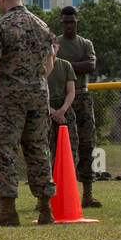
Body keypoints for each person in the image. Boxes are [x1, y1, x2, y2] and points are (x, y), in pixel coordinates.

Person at [0, 0, 57, 227]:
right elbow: (50, 64)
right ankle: (45, 209)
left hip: (8, 97)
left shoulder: (0, 26)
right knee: (38, 149)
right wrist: (33, 82)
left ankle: (7, 209)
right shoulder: (42, 26)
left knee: (3, 150)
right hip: (38, 95)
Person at [56, 6, 101, 208]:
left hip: (82, 98)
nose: (68, 25)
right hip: (60, 100)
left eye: (71, 22)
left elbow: (90, 66)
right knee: (60, 148)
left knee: (86, 145)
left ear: (77, 22)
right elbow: (50, 66)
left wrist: (65, 65)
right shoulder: (56, 43)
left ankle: (87, 193)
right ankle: (61, 192)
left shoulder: (85, 43)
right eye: (65, 22)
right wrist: (76, 64)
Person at [45, 41, 78, 174]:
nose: (51, 49)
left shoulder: (65, 65)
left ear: (58, 47)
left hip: (64, 109)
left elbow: (71, 91)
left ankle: (69, 176)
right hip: (45, 109)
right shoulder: (39, 66)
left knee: (71, 146)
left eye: (53, 46)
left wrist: (62, 110)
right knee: (47, 147)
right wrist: (51, 111)